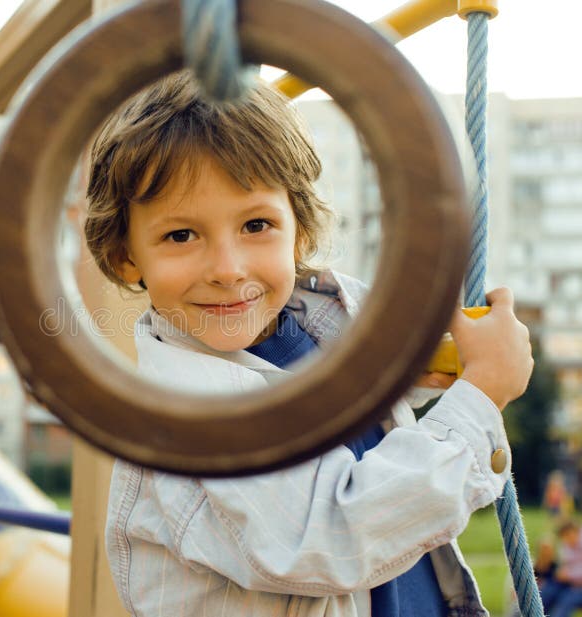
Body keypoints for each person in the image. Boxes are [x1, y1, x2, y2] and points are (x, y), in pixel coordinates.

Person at [85, 71, 534, 616]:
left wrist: (407, 377)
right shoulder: (193, 419)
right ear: (126, 257)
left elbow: (336, 413)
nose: (228, 269)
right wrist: (479, 399)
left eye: (256, 225)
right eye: (181, 235)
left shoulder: (310, 327)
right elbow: (330, 533)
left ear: (298, 229)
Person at [539, 520, 582, 617]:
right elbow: (564, 563)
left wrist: (569, 574)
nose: (566, 541)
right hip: (572, 584)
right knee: (548, 592)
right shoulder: (567, 544)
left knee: (567, 598)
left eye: (567, 537)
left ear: (575, 531)